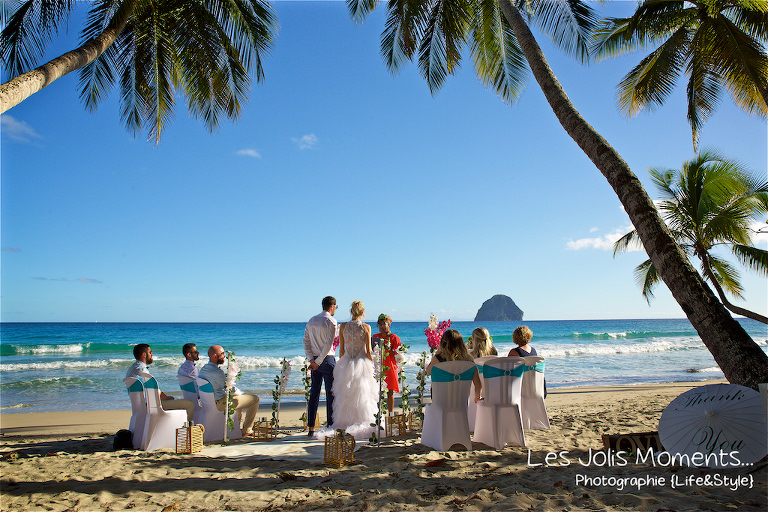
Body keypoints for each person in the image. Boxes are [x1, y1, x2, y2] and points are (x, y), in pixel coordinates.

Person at [326, 300, 378, 438]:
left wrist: (342, 365)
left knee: (346, 396)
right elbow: (368, 351)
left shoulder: (342, 326)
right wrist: (376, 361)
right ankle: (362, 421)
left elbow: (341, 350)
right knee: (363, 395)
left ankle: (345, 424)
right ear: (362, 313)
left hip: (347, 363)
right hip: (362, 363)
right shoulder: (366, 327)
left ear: (351, 312)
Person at [198, 345, 260, 436]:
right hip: (220, 404)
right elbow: (230, 389)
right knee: (255, 399)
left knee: (238, 398)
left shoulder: (204, 369)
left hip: (210, 402)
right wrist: (243, 394)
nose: (225, 356)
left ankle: (236, 427)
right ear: (215, 356)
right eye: (222, 354)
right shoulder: (217, 372)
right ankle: (247, 430)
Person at [125, 343, 195, 422]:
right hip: (152, 407)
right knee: (189, 404)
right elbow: (154, 391)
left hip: (141, 406)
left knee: (174, 400)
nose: (152, 354)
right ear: (144, 355)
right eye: (150, 352)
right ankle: (189, 431)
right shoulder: (142, 371)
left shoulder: (132, 369)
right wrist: (168, 398)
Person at [303, 296, 338, 435]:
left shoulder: (312, 320)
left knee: (314, 394)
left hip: (315, 361)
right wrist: (317, 362)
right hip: (327, 360)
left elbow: (305, 341)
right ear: (331, 306)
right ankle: (330, 426)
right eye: (336, 306)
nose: (335, 309)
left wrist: (311, 359)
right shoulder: (331, 321)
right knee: (330, 394)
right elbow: (329, 344)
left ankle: (311, 427)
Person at [426, 329, 482, 402]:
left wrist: (437, 354)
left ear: (443, 344)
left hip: (441, 402)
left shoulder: (438, 359)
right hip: (460, 401)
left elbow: (428, 371)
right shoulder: (469, 362)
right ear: (461, 344)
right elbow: (478, 385)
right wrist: (477, 397)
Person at [371, 314, 401, 414]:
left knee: (390, 391)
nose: (382, 327)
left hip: (390, 367)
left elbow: (398, 355)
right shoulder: (375, 337)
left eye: (384, 324)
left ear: (389, 324)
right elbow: (370, 350)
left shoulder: (394, 338)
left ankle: (391, 414)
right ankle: (377, 413)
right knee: (376, 391)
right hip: (378, 366)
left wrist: (388, 348)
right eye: (379, 325)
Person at [508, 325, 547, 397]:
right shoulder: (533, 351)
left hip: (521, 387)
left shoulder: (514, 352)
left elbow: (510, 371)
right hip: (534, 386)